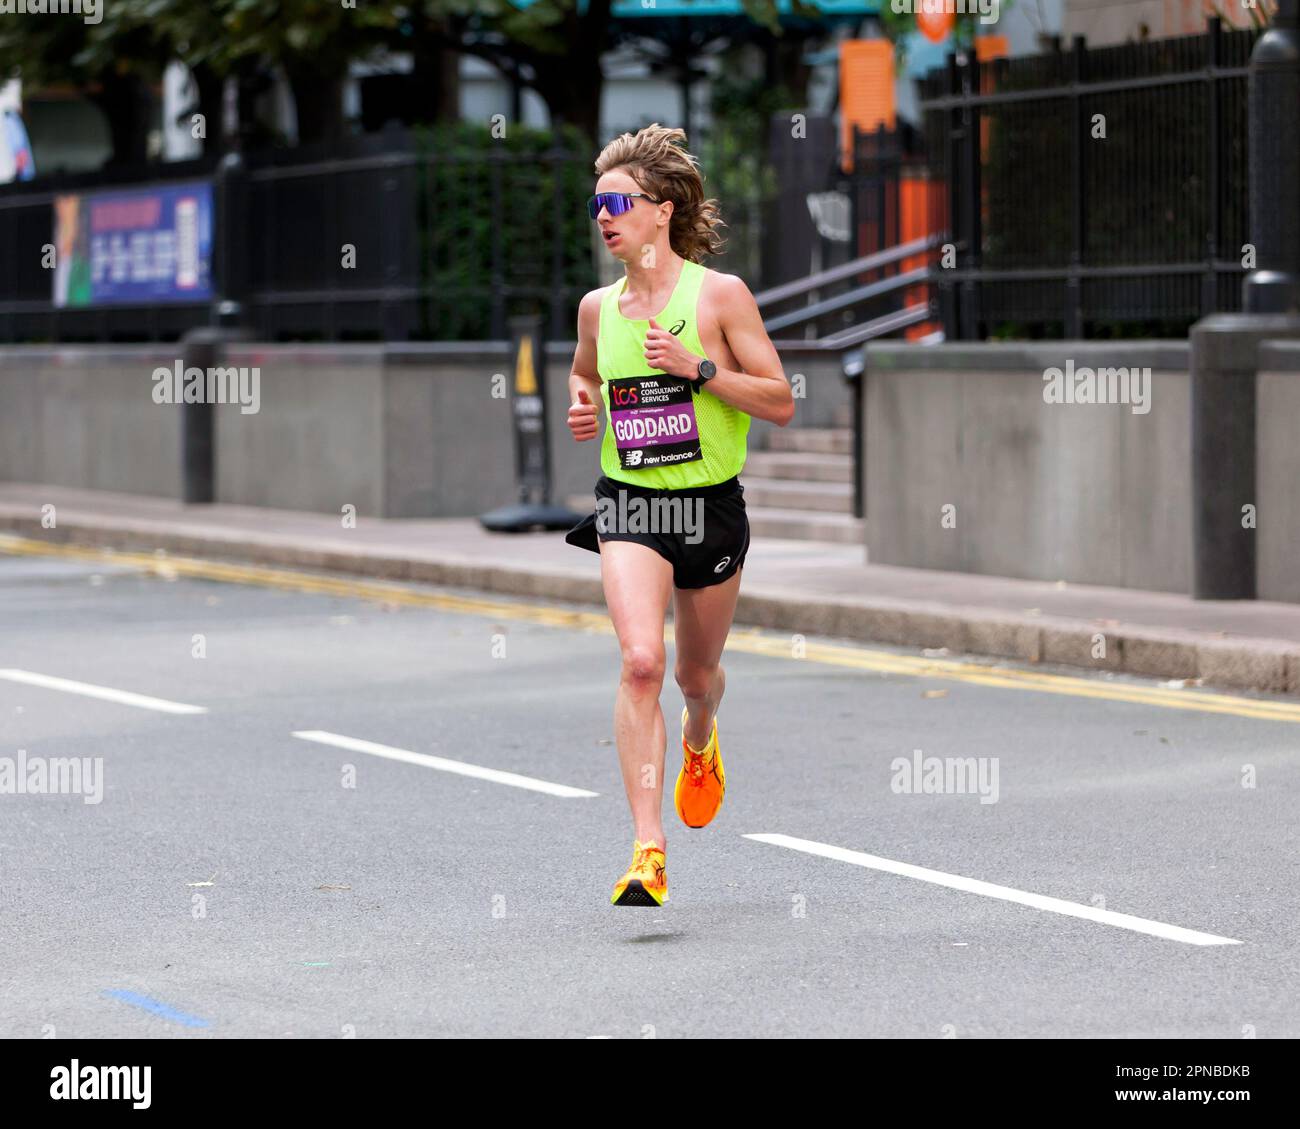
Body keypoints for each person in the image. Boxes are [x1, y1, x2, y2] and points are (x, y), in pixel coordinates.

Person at [564, 124, 794, 906]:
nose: (604, 215)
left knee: (695, 676)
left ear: (662, 211)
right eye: (597, 204)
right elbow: (584, 373)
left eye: (618, 202)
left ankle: (701, 734)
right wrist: (581, 404)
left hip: (709, 509)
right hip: (630, 502)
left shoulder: (719, 297)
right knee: (639, 662)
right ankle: (647, 849)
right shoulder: (598, 308)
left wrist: (698, 369)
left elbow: (781, 400)